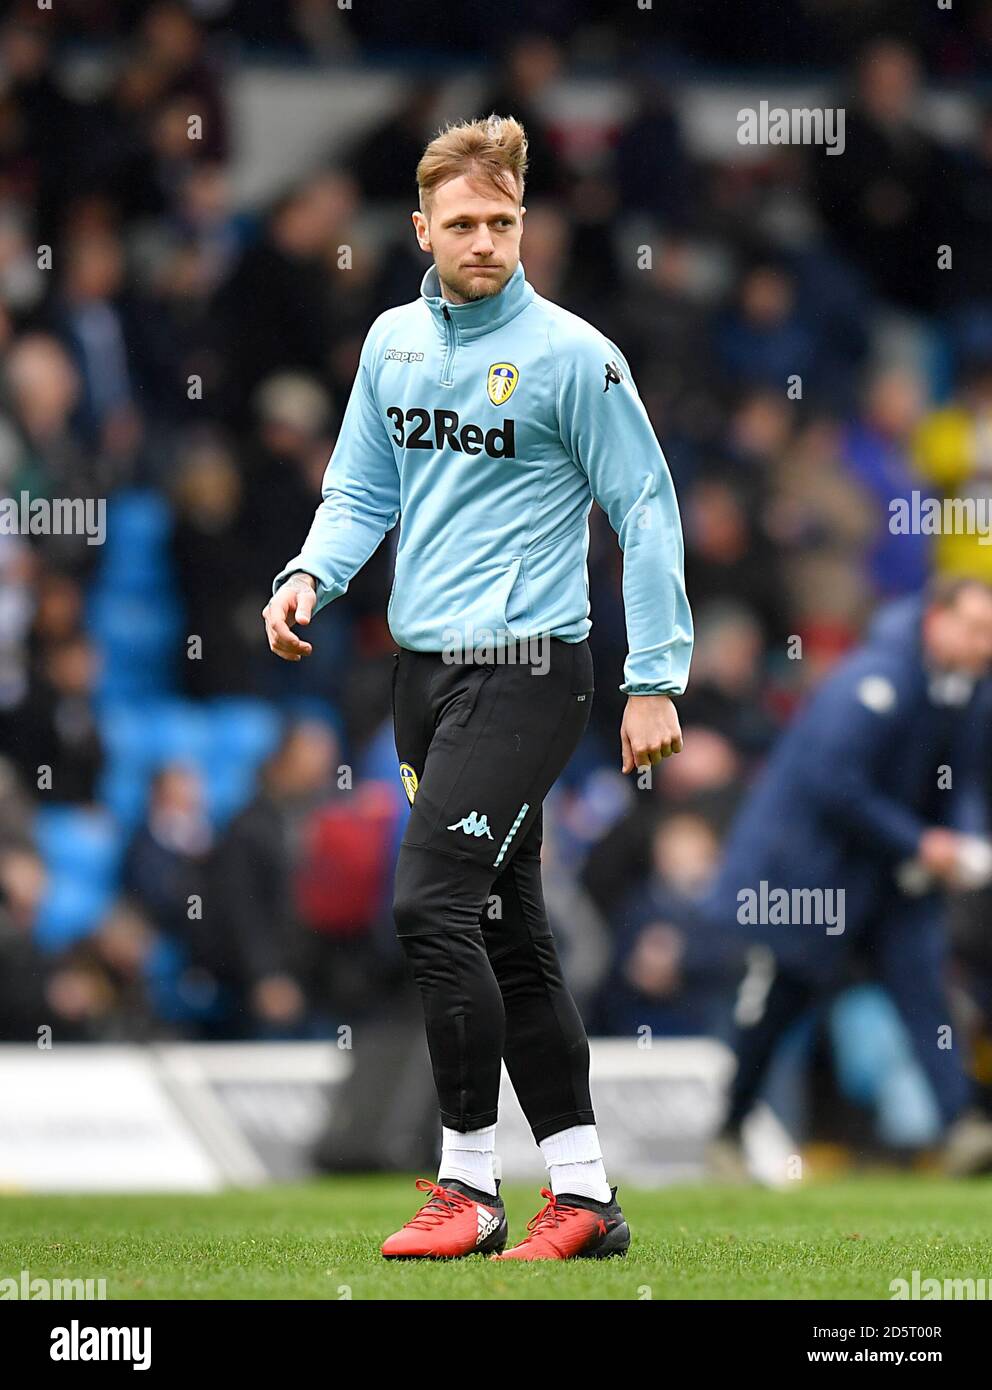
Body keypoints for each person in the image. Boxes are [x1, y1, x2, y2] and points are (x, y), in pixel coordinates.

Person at [263, 115, 693, 1260]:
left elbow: (644, 509)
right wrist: (310, 572)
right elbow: (358, 491)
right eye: (463, 223)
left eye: (503, 221)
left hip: (530, 669)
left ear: (524, 224)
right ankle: (585, 1195)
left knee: (427, 904)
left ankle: (467, 1183)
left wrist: (653, 678)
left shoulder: (575, 356)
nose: (487, 241)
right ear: (420, 229)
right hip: (426, 675)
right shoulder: (392, 344)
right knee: (508, 935)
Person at [706, 577, 992, 1176]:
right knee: (785, 997)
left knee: (924, 990)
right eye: (974, 628)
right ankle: (730, 1129)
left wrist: (960, 846)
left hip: (889, 876)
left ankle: (962, 1127)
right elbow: (832, 785)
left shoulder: (969, 693)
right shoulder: (871, 680)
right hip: (816, 873)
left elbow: (960, 784)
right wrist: (922, 841)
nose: (984, 642)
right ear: (935, 621)